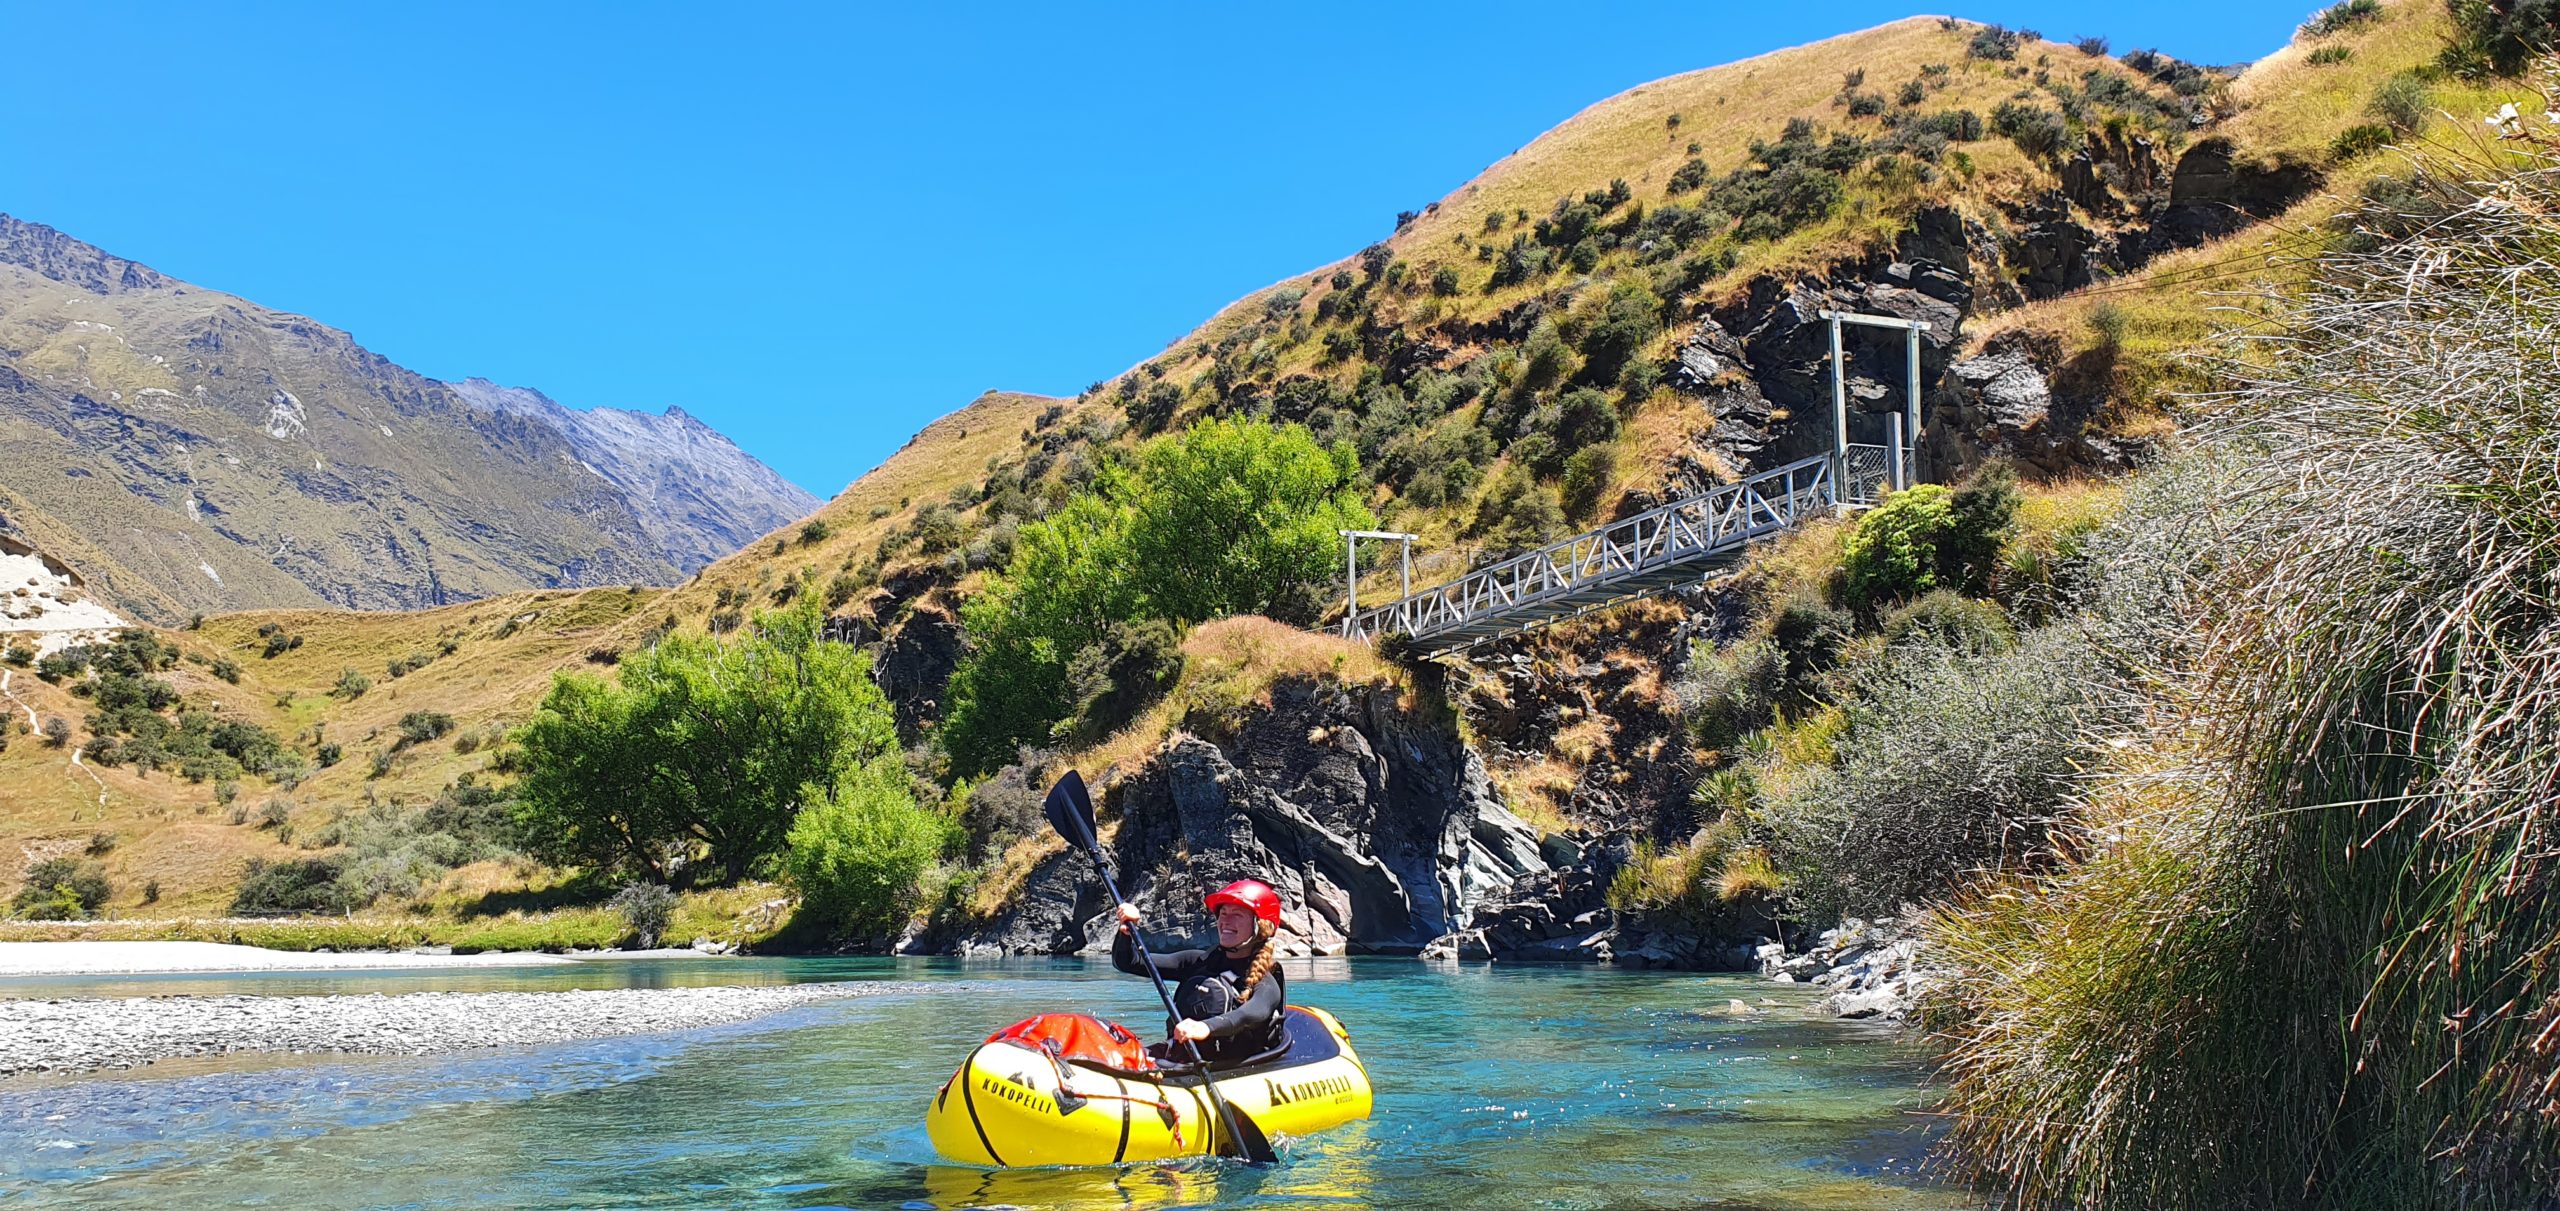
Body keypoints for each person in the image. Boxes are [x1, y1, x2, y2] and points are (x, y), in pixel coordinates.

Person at [1112, 878, 1288, 1069]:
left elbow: (1251, 1014)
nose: (1225, 921)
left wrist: (1206, 1027)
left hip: (1232, 1068)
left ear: (1261, 927)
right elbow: (1130, 962)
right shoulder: (1198, 962)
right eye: (1223, 913)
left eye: (1237, 915)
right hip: (1182, 1059)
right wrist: (1126, 933)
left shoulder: (1266, 983)